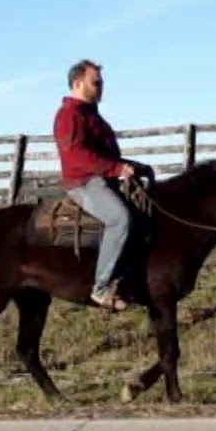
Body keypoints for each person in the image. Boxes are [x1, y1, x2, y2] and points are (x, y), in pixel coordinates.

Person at [52, 59, 143, 311]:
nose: (101, 87)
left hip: (102, 177)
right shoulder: (69, 115)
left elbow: (105, 153)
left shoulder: (91, 115)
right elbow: (74, 155)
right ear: (78, 83)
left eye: (101, 83)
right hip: (83, 182)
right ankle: (101, 288)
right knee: (119, 219)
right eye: (96, 82)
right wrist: (116, 169)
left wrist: (131, 166)